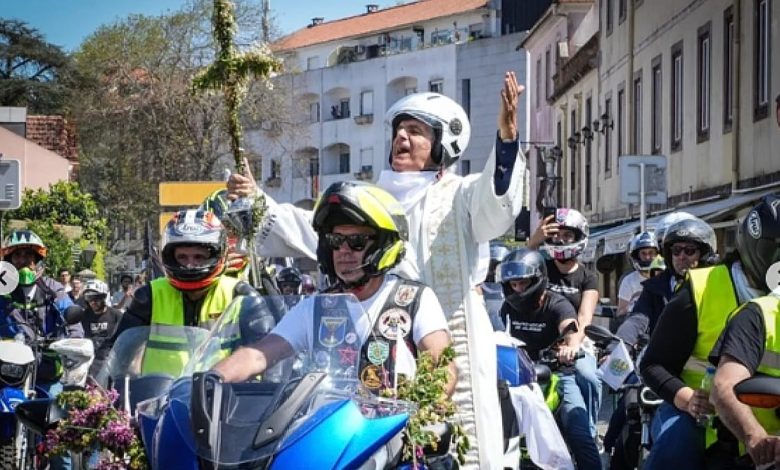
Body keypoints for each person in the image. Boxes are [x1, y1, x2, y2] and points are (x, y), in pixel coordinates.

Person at [226, 72, 527, 467]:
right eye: (399, 130)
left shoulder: (461, 193)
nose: (401, 138)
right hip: (365, 340)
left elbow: (496, 206)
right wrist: (257, 202)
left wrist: (504, 143)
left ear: (443, 145)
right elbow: (309, 227)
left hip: (448, 330)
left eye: (416, 131)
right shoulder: (370, 200)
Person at [215, 181, 454, 400]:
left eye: (357, 241)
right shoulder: (317, 306)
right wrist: (209, 379)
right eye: (336, 241)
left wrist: (425, 413)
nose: (344, 251)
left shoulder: (413, 300)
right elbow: (258, 355)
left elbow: (443, 370)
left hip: (394, 440)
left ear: (382, 245)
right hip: (328, 439)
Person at [638, 210, 764, 470]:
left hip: (767, 421)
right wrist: (689, 400)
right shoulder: (690, 289)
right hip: (702, 417)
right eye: (677, 251)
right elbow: (652, 362)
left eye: (690, 251)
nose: (682, 258)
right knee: (675, 443)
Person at [113, 209, 260, 374]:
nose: (190, 265)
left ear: (218, 254)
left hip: (224, 394)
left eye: (199, 257)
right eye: (182, 257)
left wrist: (264, 391)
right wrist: (97, 390)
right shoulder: (150, 295)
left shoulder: (240, 294)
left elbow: (266, 351)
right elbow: (117, 350)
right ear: (169, 256)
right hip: (159, 396)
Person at [499, 248, 600, 470]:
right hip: (519, 379)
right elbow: (496, 332)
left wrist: (570, 347)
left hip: (558, 374)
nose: (518, 289)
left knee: (579, 433)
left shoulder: (557, 304)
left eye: (523, 283)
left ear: (537, 280)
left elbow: (571, 327)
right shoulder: (507, 308)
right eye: (513, 284)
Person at [707, 194, 780, 467]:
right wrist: (755, 436)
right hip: (762, 452)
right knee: (673, 446)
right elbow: (725, 385)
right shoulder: (758, 315)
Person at [0, 230, 83, 470]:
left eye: (29, 256)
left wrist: (73, 343)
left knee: (59, 438)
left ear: (38, 261)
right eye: (18, 256)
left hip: (47, 371)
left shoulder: (53, 289)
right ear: (9, 262)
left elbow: (73, 319)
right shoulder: (2, 291)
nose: (24, 261)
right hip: (9, 375)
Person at [528, 208, 602, 453]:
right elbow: (517, 270)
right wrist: (534, 241)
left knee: (589, 376)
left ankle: (589, 431)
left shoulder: (588, 277)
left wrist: (572, 344)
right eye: (556, 235)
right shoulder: (541, 268)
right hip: (537, 339)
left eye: (567, 235)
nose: (561, 241)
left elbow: (585, 317)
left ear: (579, 237)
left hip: (574, 344)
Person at [81, 279, 122, 377]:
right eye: (89, 298)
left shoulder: (116, 315)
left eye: (96, 298)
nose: (93, 302)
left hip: (111, 359)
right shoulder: (83, 316)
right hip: (88, 359)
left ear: (104, 297)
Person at [617, 231, 659, 317]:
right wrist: (635, 307)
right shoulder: (628, 281)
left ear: (657, 254)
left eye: (651, 253)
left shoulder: (665, 277)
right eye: (643, 253)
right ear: (636, 256)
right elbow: (620, 312)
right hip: (637, 325)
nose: (647, 257)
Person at [482, 243, 510, 331]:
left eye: (498, 266)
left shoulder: (512, 288)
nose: (494, 271)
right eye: (492, 266)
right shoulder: (477, 288)